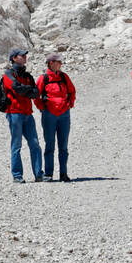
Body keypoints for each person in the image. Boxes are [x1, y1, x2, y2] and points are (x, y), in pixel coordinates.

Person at [0, 47, 44, 183]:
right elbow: (16, 88)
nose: (25, 57)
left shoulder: (27, 76)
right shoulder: (8, 74)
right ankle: (17, 176)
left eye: (25, 55)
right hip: (14, 114)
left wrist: (27, 90)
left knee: (35, 144)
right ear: (14, 58)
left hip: (27, 114)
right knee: (17, 145)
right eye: (22, 55)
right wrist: (29, 90)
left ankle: (39, 174)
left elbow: (36, 92)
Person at [36, 53, 75, 181]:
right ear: (51, 63)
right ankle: (48, 174)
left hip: (64, 114)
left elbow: (72, 91)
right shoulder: (44, 78)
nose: (61, 64)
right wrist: (42, 108)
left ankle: (63, 173)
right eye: (58, 62)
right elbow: (36, 95)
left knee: (63, 146)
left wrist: (70, 104)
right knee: (50, 145)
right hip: (49, 115)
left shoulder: (64, 77)